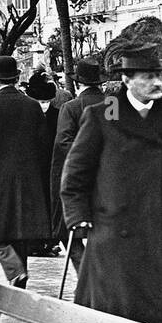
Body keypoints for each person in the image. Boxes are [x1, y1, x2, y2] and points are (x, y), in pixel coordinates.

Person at [62, 43, 162, 323]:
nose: (157, 82)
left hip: (157, 236)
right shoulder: (106, 113)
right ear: (128, 79)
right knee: (109, 319)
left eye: (160, 74)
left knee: (159, 315)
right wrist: (79, 219)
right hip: (113, 238)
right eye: (149, 76)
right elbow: (74, 177)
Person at [0, 54, 51, 287]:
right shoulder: (33, 106)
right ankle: (20, 280)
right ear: (16, 78)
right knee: (20, 231)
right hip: (28, 178)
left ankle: (15, 270)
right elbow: (44, 144)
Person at [50, 56, 105, 268]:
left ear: (78, 83)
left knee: (68, 230)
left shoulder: (71, 107)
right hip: (106, 174)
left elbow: (63, 142)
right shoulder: (112, 103)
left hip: (79, 177)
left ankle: (84, 274)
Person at [24, 69, 61, 255]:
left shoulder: (58, 114)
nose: (44, 106)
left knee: (50, 205)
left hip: (52, 167)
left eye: (47, 102)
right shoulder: (26, 115)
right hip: (32, 168)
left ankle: (50, 241)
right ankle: (33, 243)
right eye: (40, 102)